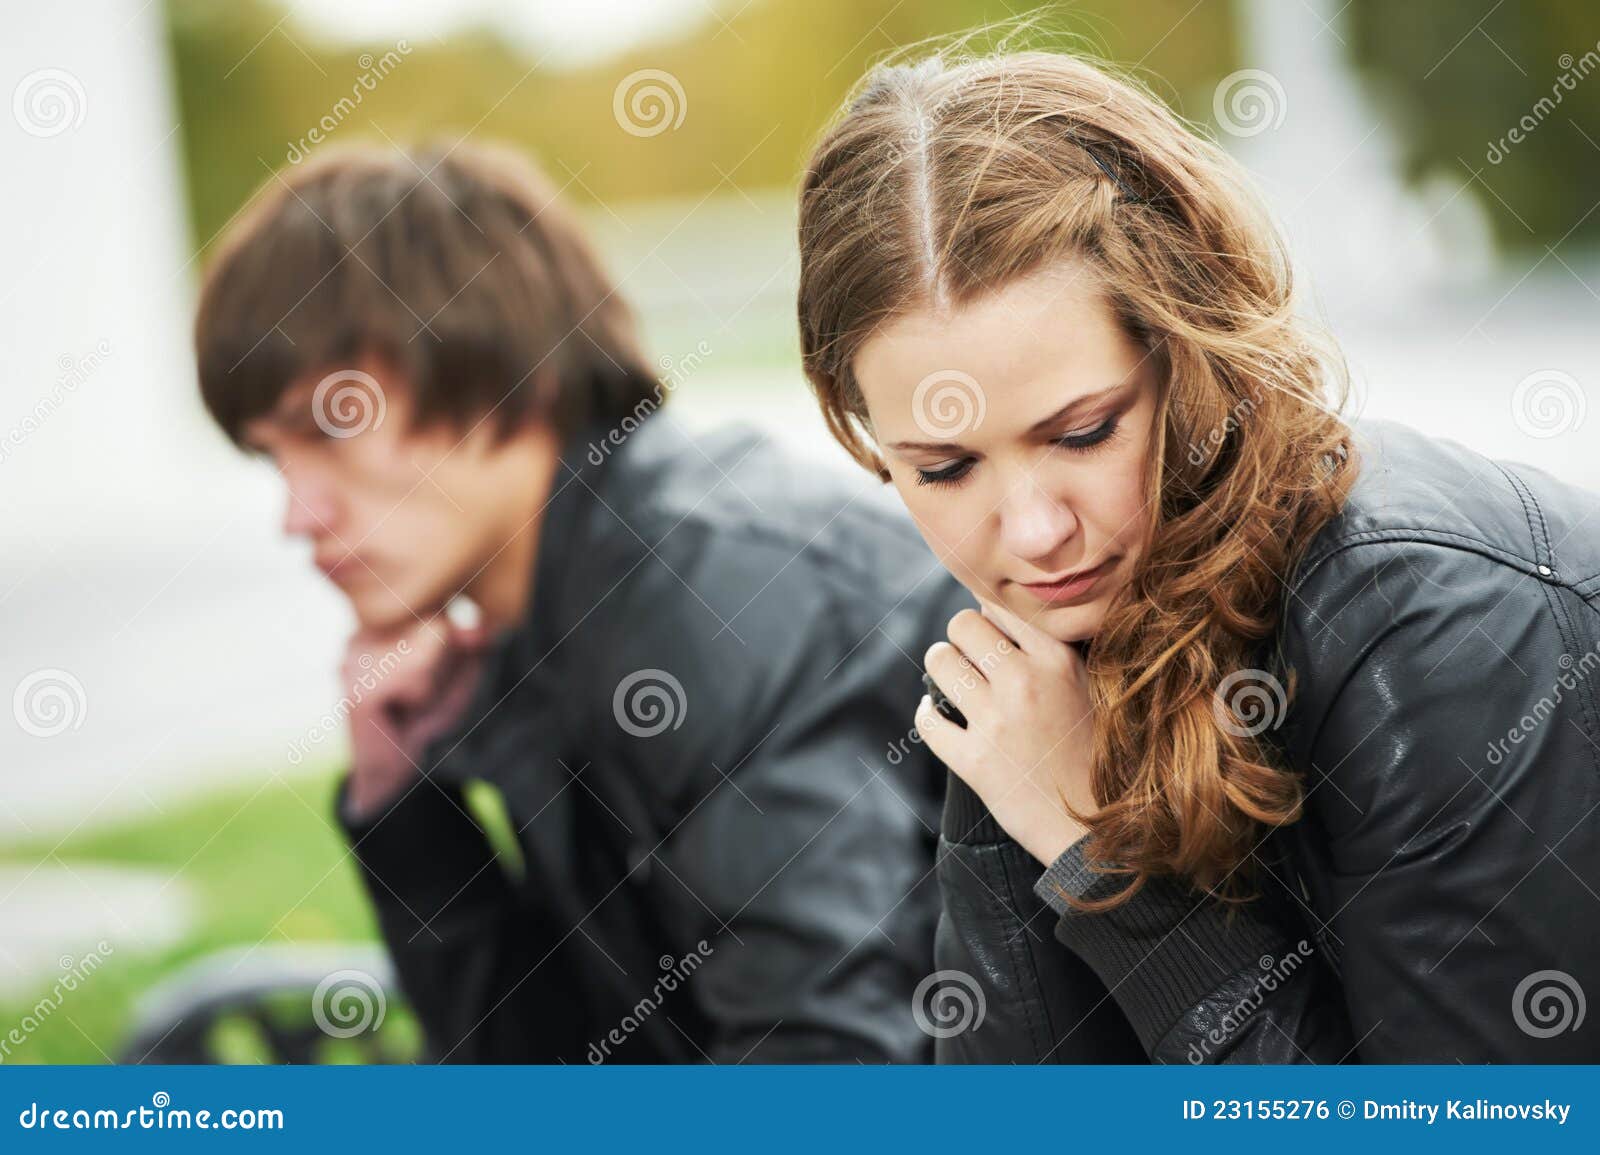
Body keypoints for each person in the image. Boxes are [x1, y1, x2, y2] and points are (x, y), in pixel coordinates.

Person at [795, 50, 1600, 1063]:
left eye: (1082, 433)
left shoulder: (1437, 629)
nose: (1035, 532)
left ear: (1192, 352)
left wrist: (1108, 872)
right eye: (945, 469)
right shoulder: (1035, 657)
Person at [193, 141, 968, 1063]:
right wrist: (405, 806)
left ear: (510, 375)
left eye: (334, 428)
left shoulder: (701, 599)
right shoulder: (551, 605)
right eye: (274, 457)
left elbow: (830, 1069)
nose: (297, 514)